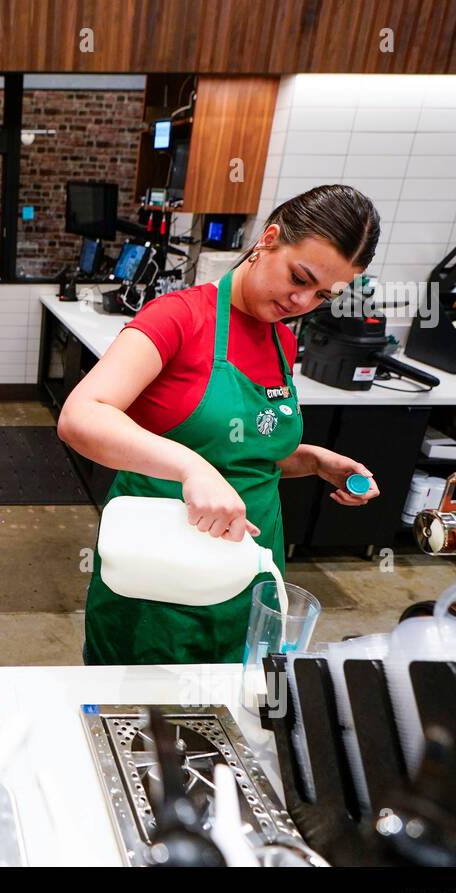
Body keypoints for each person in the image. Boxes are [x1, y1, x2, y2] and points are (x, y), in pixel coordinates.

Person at [58, 184, 383, 665]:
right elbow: (81, 416)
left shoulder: (282, 343)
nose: (302, 300)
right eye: (300, 276)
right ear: (268, 239)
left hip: (250, 573)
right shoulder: (178, 318)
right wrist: (191, 468)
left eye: (323, 295)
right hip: (161, 580)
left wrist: (311, 460)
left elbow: (242, 451)